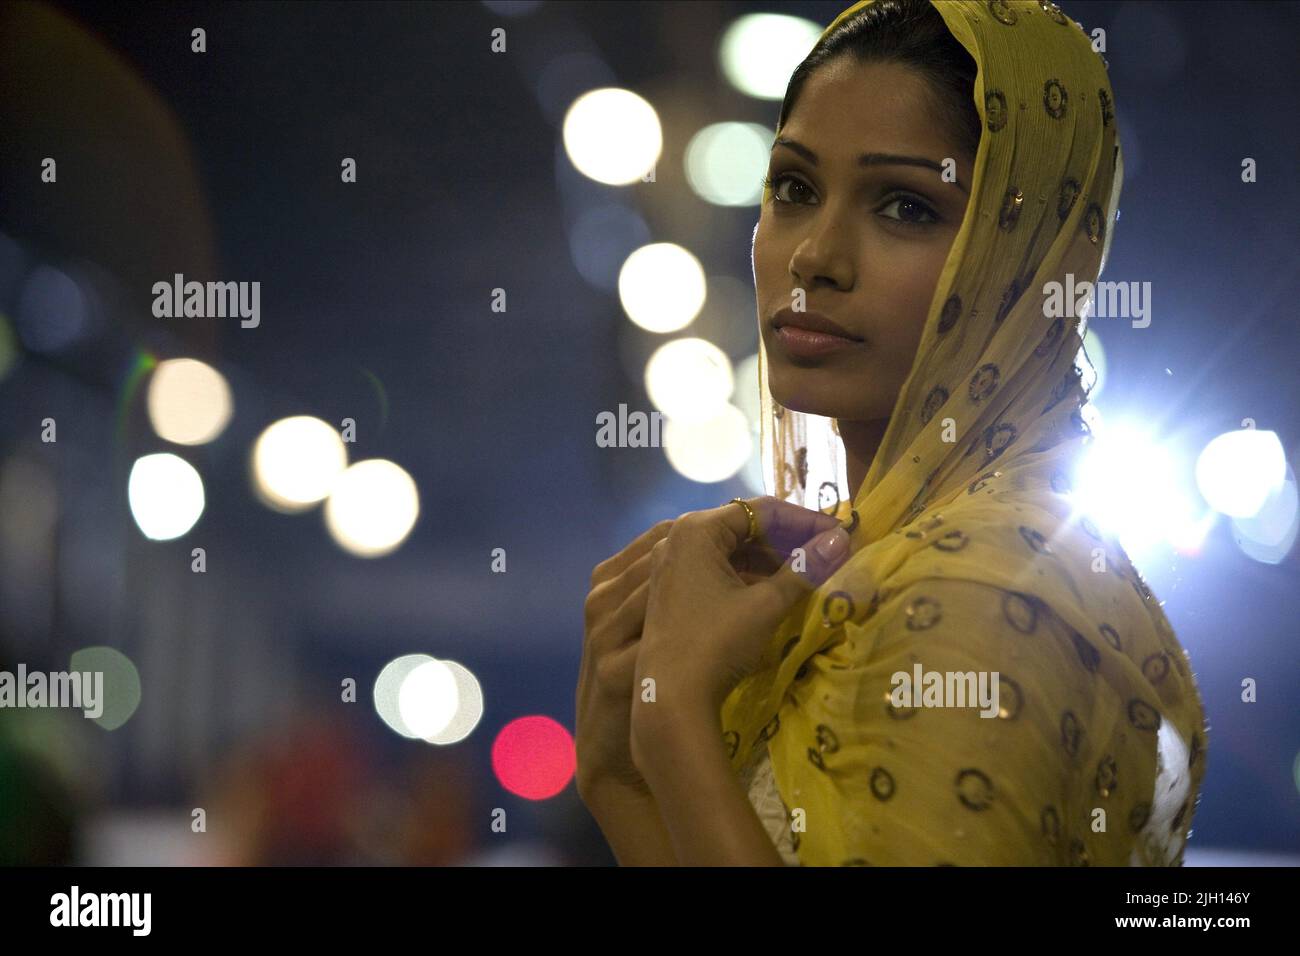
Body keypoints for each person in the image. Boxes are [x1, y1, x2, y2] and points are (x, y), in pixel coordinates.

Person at [576, 0, 1207, 866]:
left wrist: (679, 723)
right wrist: (620, 779)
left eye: (905, 207)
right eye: (794, 188)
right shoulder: (879, 566)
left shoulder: (985, 601)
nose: (814, 257)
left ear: (1019, 257)